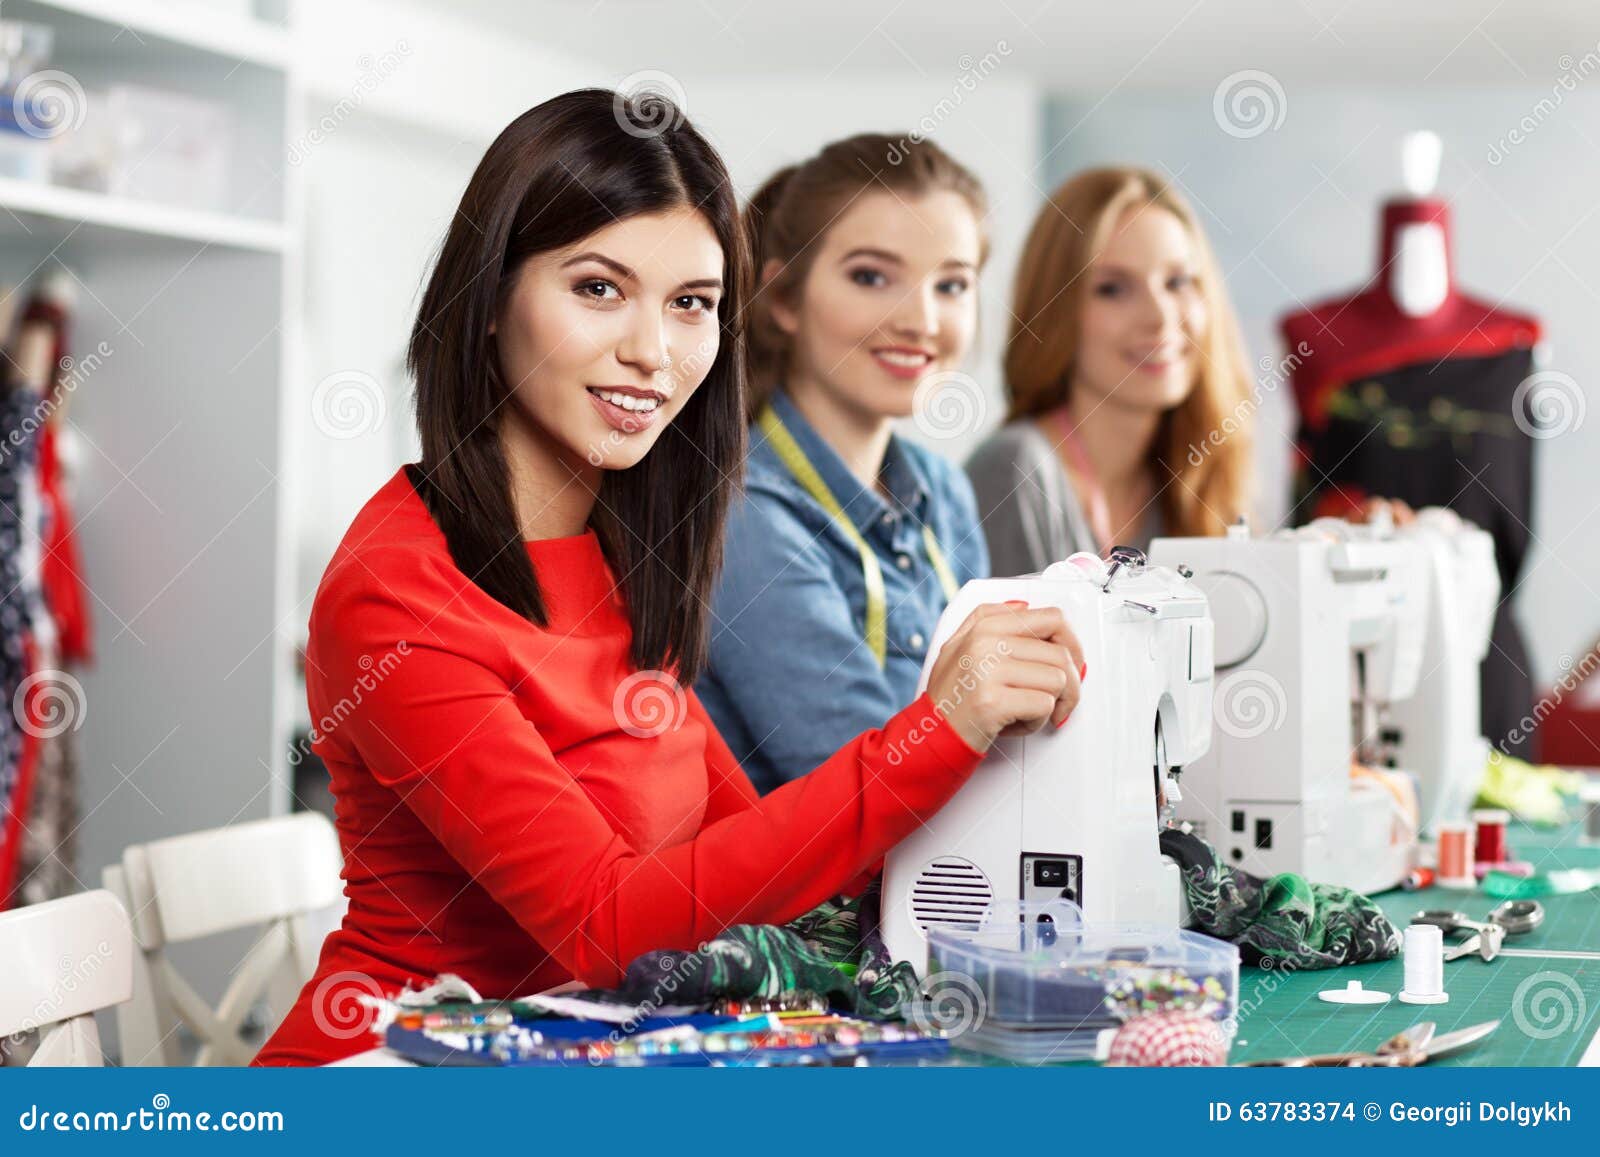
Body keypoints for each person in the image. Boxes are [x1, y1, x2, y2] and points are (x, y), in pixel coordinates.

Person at [251, 90, 1081, 1067]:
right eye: (598, 288)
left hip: (581, 1049)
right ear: (486, 302)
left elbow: (743, 849)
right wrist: (939, 725)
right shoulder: (396, 591)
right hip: (398, 1069)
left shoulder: (619, 545)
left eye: (690, 303)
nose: (652, 350)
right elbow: (603, 919)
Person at [696, 135, 991, 794]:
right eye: (871, 276)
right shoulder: (742, 511)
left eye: (952, 284)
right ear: (783, 299)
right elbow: (880, 789)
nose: (921, 319)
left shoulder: (942, 490)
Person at [966, 167, 1254, 575]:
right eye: (1113, 289)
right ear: (1054, 313)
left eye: (1177, 282)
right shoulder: (1016, 471)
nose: (1160, 316)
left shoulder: (1195, 479)